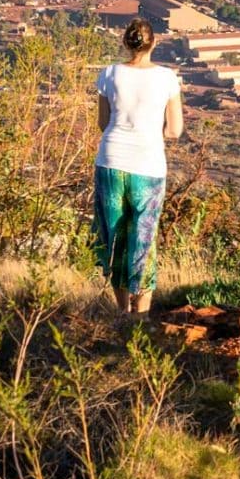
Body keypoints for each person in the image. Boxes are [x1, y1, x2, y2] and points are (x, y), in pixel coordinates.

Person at [92, 17, 183, 315]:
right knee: (144, 238)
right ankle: (141, 313)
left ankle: (122, 312)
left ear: (125, 42)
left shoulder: (109, 74)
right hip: (148, 165)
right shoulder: (167, 78)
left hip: (110, 161)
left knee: (115, 237)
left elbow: (103, 123)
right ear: (153, 43)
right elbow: (174, 130)